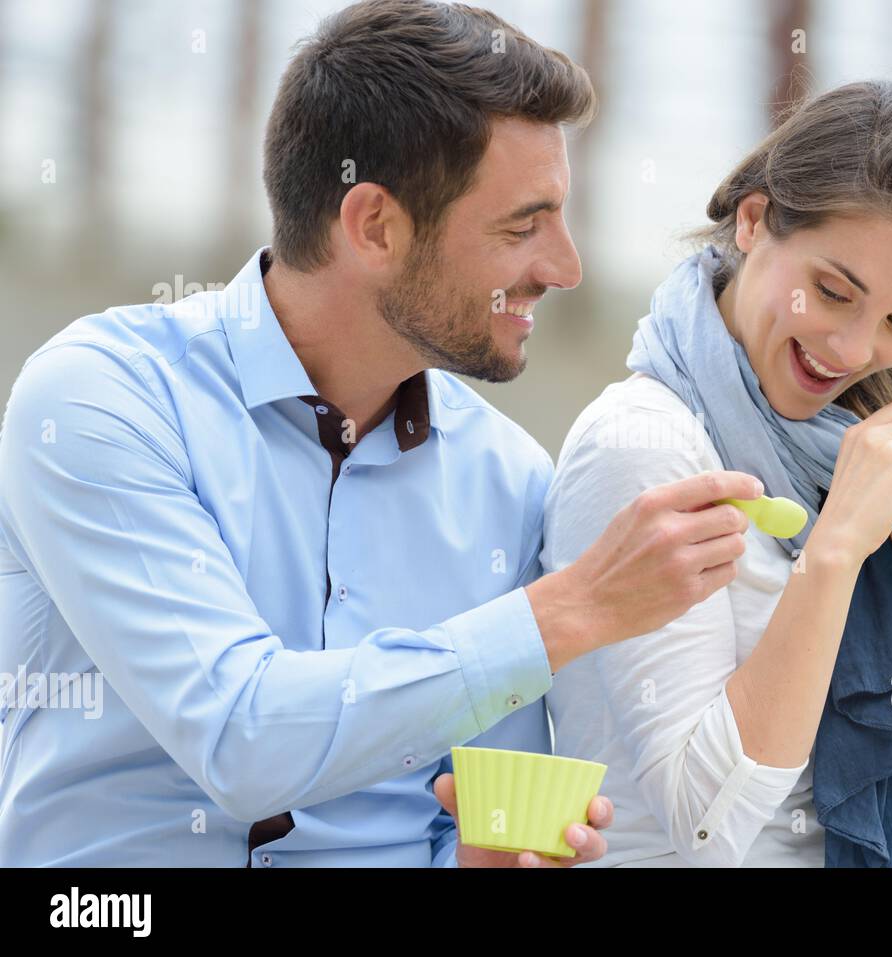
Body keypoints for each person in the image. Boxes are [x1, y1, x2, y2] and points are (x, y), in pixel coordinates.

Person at [0, 0, 764, 867]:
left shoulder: (509, 478)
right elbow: (240, 735)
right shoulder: (100, 400)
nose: (563, 266)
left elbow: (470, 826)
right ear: (374, 226)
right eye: (523, 226)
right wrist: (573, 606)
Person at [541, 80, 892, 867]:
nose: (852, 350)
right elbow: (704, 824)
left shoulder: (832, 443)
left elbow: (826, 795)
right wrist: (835, 550)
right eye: (834, 291)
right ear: (752, 220)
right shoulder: (645, 447)